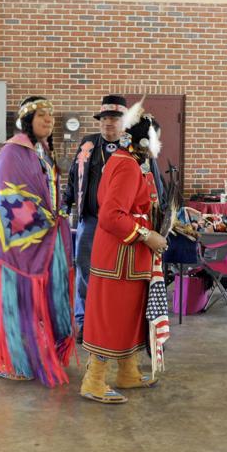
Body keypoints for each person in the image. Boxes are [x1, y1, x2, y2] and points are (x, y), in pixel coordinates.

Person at [0, 96, 74, 387]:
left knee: (42, 299)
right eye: (42, 115)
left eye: (51, 115)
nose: (49, 120)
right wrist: (48, 218)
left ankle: (36, 352)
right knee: (19, 299)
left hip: (48, 237)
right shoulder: (13, 151)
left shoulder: (42, 151)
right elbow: (10, 198)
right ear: (27, 121)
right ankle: (12, 358)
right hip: (20, 243)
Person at [80, 109, 169, 404]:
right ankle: (93, 380)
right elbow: (110, 215)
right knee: (111, 317)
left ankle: (127, 372)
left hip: (127, 259)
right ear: (143, 141)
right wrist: (147, 235)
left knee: (129, 315)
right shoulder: (128, 166)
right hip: (119, 258)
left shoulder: (127, 162)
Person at [63, 94, 127, 343]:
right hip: (90, 221)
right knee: (84, 270)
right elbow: (73, 178)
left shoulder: (132, 148)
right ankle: (84, 323)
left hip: (121, 224)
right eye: (104, 118)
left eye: (113, 118)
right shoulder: (88, 145)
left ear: (123, 122)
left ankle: (114, 323)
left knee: (117, 272)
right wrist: (65, 205)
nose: (108, 123)